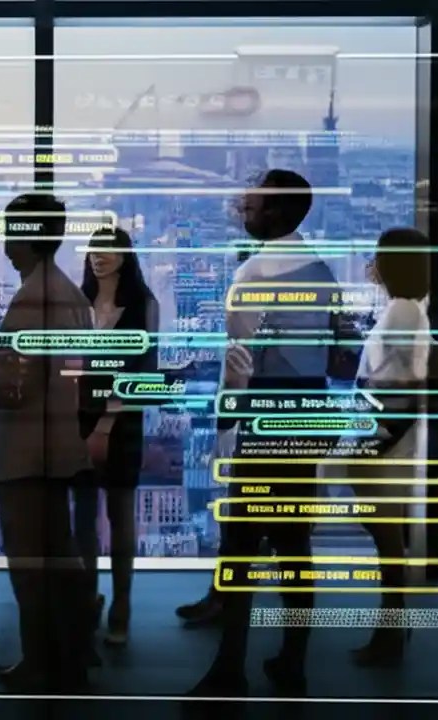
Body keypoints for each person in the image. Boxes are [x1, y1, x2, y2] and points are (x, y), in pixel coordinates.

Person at [186, 169, 336, 698]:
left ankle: (229, 671)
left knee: (242, 546)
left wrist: (227, 428)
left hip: (263, 421)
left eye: (249, 208)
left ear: (274, 214)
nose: (242, 214)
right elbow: (334, 351)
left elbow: (239, 365)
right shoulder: (322, 269)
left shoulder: (253, 274)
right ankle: (292, 663)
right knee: (295, 545)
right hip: (308, 417)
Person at [0, 192, 97, 693]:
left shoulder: (33, 299)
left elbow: (15, 386)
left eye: (12, 232)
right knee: (60, 556)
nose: (6, 242)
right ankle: (73, 656)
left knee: (30, 564)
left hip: (25, 451)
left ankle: (40, 661)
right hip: (59, 446)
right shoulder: (71, 294)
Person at [341, 227, 434, 666]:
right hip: (384, 442)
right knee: (387, 540)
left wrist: (376, 443)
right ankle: (392, 629)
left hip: (381, 446)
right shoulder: (406, 310)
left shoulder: (402, 314)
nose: (372, 263)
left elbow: (415, 386)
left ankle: (392, 631)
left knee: (387, 542)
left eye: (379, 256)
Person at [73, 225, 159, 648]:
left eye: (107, 250)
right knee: (83, 516)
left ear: (125, 257)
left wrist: (106, 425)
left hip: (122, 420)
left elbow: (144, 373)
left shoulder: (144, 305)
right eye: (93, 250)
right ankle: (87, 600)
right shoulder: (79, 303)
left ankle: (122, 604)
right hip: (79, 417)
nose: (98, 257)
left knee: (120, 515)